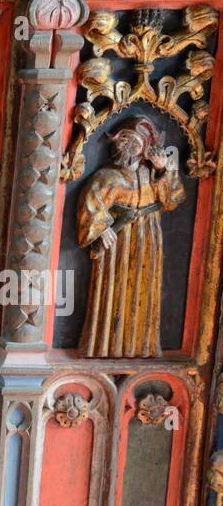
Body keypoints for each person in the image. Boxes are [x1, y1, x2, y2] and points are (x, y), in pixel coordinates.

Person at [76, 117, 184, 358]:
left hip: (148, 240)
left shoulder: (152, 175)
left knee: (143, 293)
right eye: (122, 139)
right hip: (118, 241)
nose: (125, 145)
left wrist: (163, 170)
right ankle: (103, 348)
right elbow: (91, 205)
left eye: (133, 141)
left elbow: (173, 200)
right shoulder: (107, 176)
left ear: (145, 146)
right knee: (113, 290)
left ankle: (142, 349)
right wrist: (101, 229)